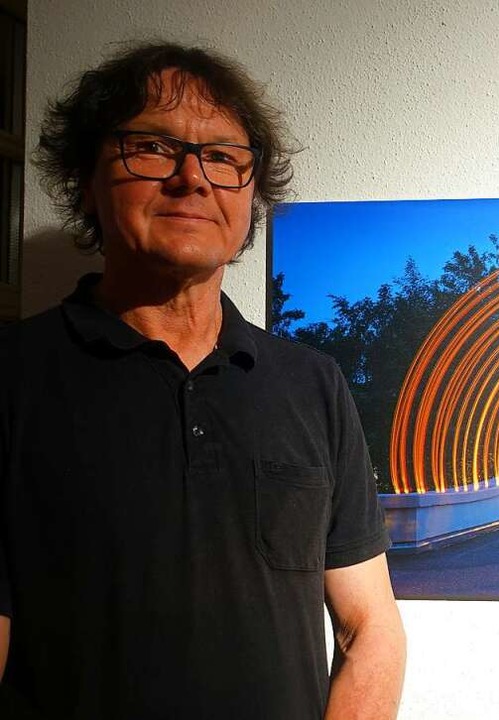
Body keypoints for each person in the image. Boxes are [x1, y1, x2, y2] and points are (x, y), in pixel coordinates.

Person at [0, 41, 406, 719]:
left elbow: (372, 629)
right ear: (86, 180)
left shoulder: (312, 384)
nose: (193, 179)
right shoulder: (15, 375)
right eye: (152, 147)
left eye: (222, 157)